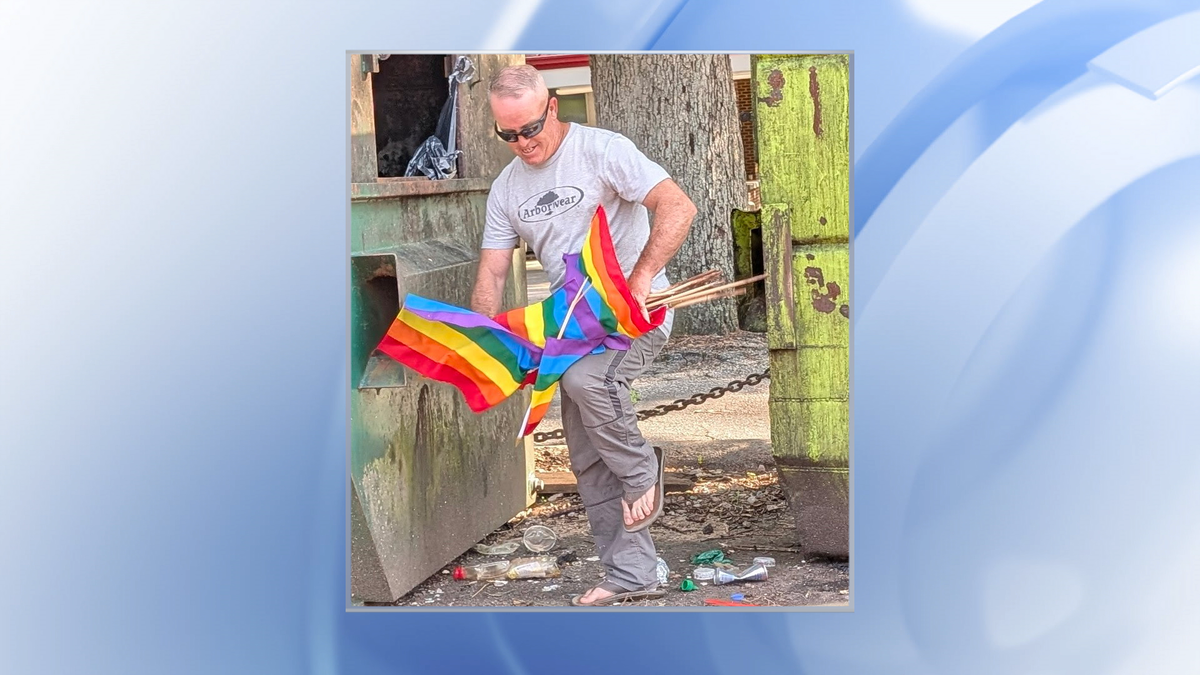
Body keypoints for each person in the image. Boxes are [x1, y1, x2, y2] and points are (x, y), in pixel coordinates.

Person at [471, 65, 697, 606]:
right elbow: (493, 274)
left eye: (530, 129)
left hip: (635, 314)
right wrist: (487, 342)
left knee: (585, 381)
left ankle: (642, 468)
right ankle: (632, 573)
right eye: (509, 136)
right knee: (587, 450)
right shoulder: (505, 189)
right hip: (570, 326)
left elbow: (678, 205)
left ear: (552, 108)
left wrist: (641, 278)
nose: (523, 144)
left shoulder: (602, 149)